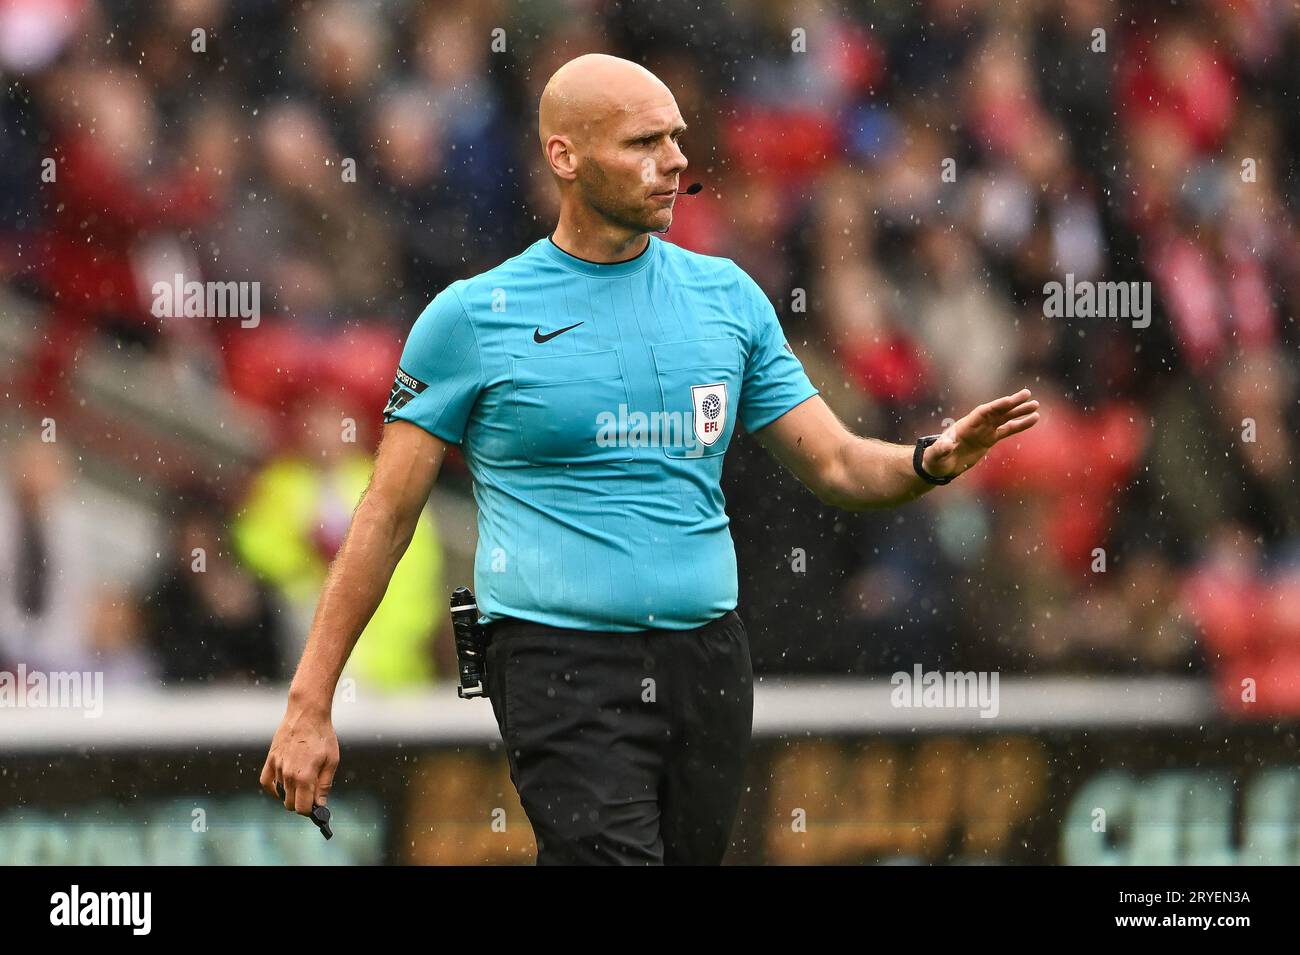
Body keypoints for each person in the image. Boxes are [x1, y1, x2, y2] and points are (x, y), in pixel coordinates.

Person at [260, 53, 1041, 865]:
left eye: (676, 138)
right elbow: (385, 516)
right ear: (565, 157)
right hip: (558, 664)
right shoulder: (472, 317)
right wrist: (310, 703)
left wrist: (932, 458)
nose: (674, 161)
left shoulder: (728, 298)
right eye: (643, 142)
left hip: (708, 663)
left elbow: (839, 465)